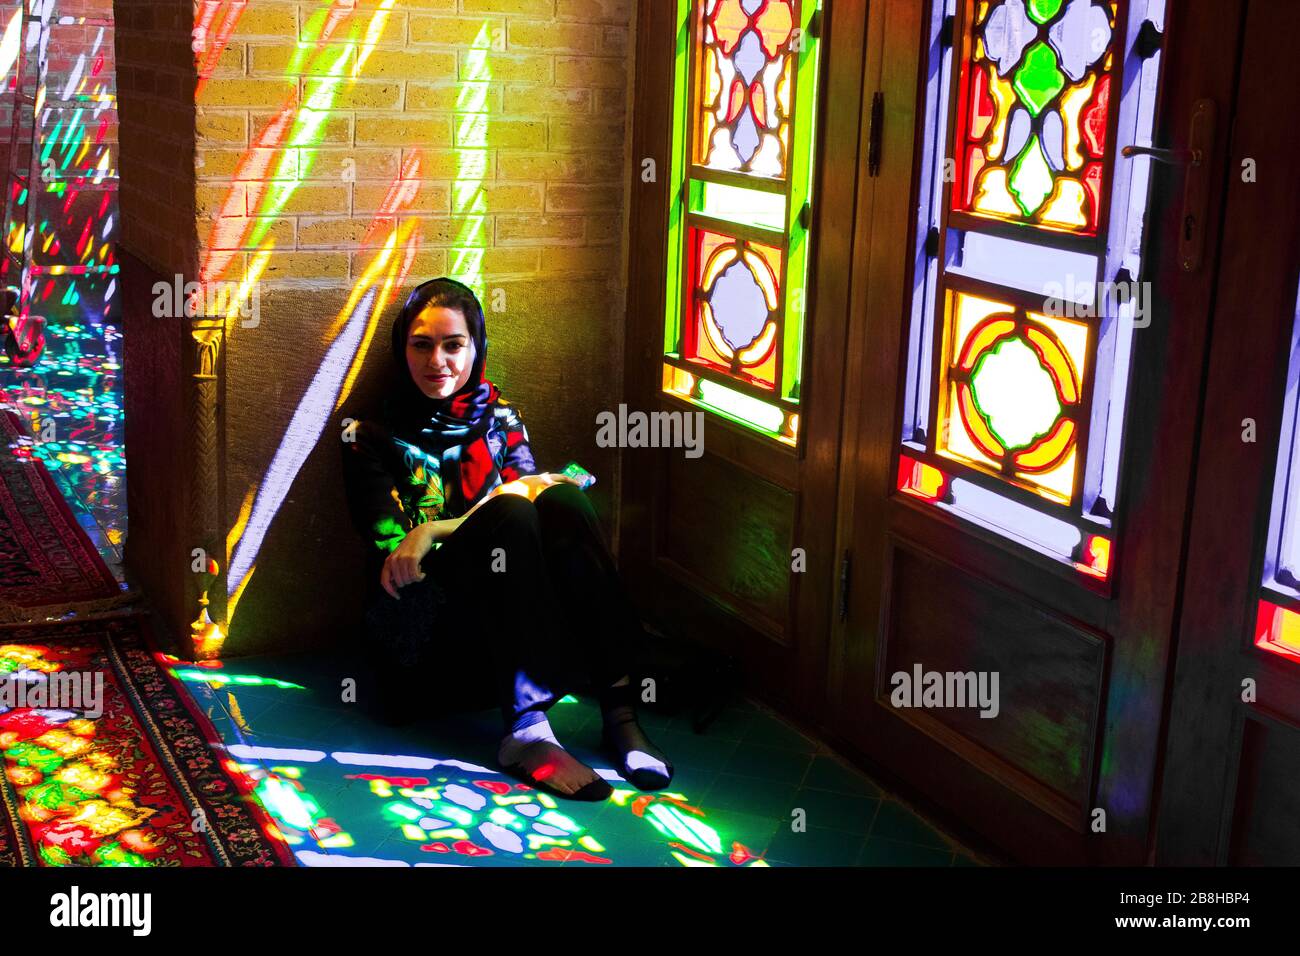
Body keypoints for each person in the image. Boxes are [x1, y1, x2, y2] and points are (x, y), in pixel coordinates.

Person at [341, 277, 672, 801]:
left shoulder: (500, 417)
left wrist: (434, 527)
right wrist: (431, 534)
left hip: (519, 629)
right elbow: (397, 559)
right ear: (401, 347)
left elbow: (533, 503)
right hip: (426, 637)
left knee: (560, 502)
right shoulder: (367, 434)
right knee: (515, 514)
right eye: (421, 344)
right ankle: (526, 734)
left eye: (454, 345)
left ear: (477, 347)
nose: (438, 362)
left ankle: (620, 712)